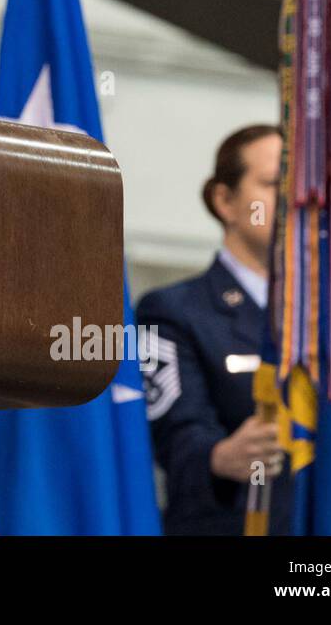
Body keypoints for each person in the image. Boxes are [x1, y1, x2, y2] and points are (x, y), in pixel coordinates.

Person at [136, 124, 292, 534]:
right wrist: (221, 456)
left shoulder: (326, 322)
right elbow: (175, 438)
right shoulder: (172, 311)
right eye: (275, 184)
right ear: (225, 200)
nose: (294, 201)